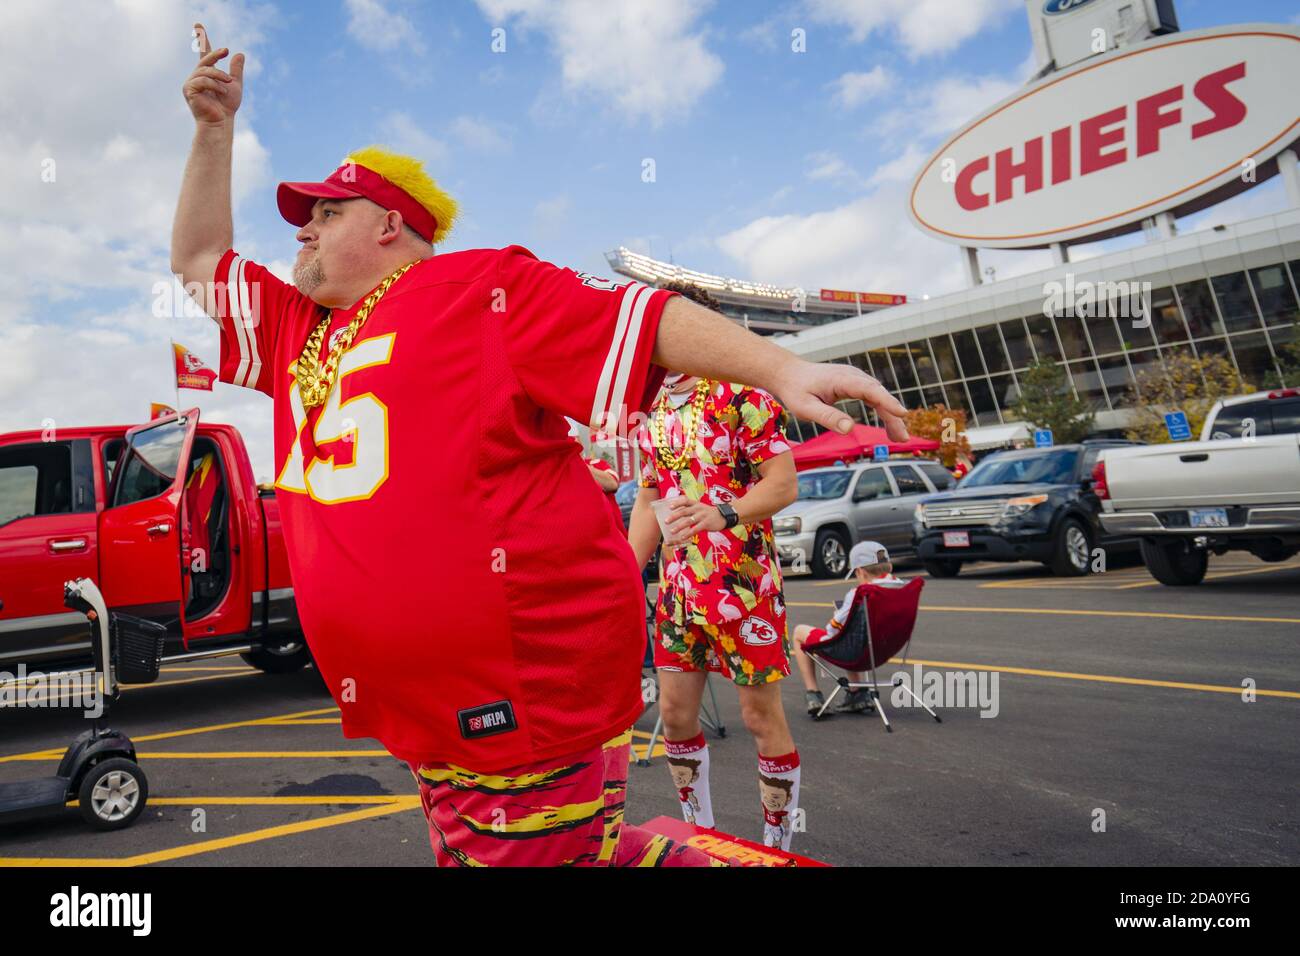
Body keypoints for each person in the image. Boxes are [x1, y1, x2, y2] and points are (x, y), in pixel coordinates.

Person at [173, 25, 907, 866]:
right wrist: (212, 130)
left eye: (326, 212)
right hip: (422, 709)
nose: (301, 231)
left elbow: (639, 317)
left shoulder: (475, 288)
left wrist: (778, 365)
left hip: (523, 695)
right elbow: (198, 258)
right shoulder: (304, 329)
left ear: (389, 226)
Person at [628, 282, 804, 851]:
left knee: (759, 719)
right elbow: (648, 496)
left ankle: (776, 846)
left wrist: (722, 513)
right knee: (677, 716)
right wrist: (630, 571)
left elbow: (784, 485)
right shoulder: (652, 408)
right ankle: (698, 835)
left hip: (745, 588)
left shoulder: (743, 393)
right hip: (678, 592)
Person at [791, 540, 906, 717]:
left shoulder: (859, 594)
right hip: (885, 649)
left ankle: (813, 694)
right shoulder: (904, 588)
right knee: (852, 634)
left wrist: (838, 616)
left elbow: (833, 630)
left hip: (856, 652)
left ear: (860, 571)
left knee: (800, 632)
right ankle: (856, 692)